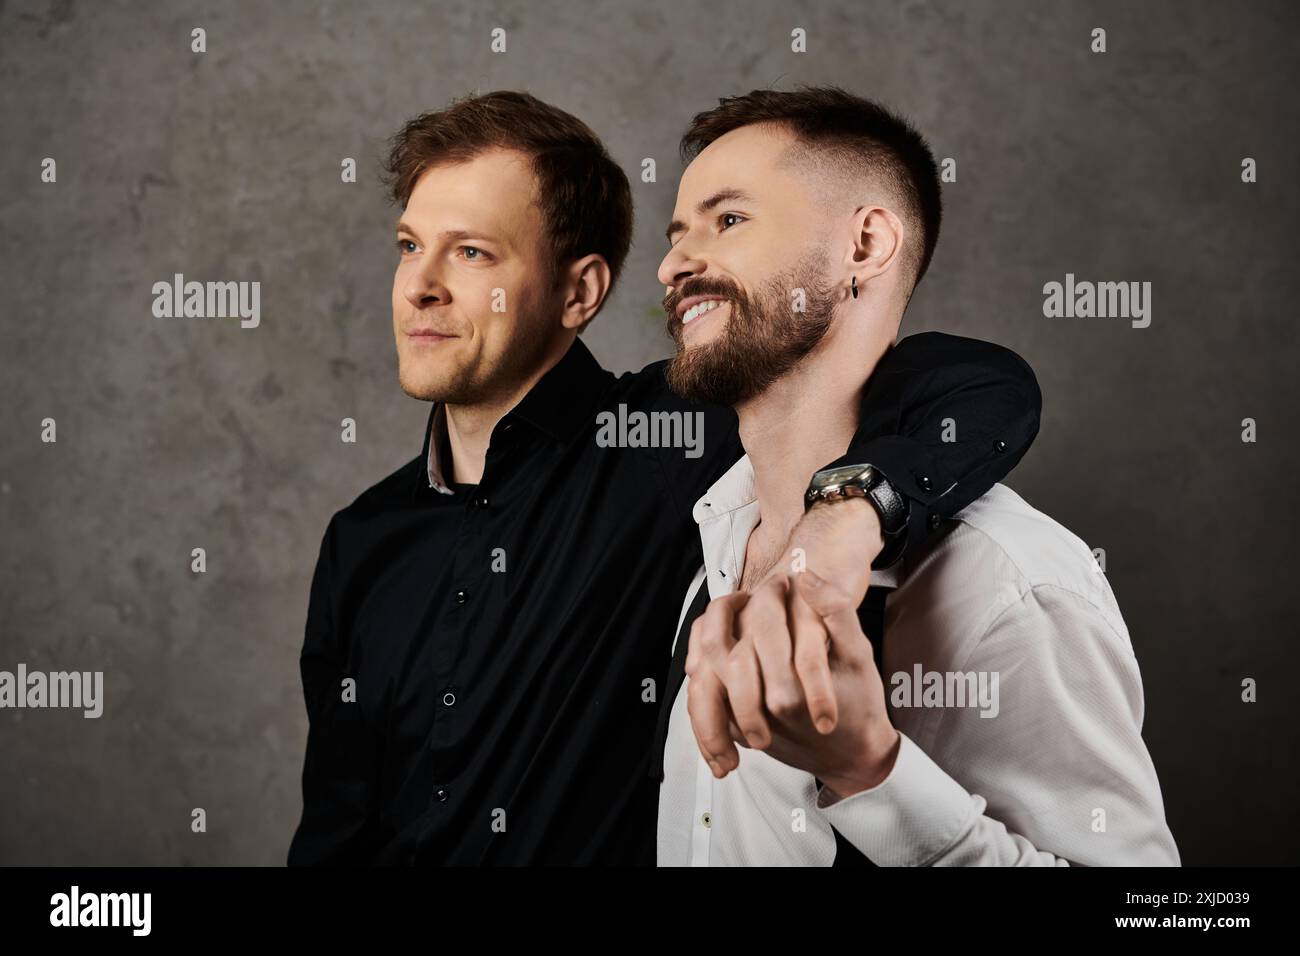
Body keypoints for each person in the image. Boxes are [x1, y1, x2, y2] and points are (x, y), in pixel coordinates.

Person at [287, 91, 1041, 866]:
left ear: (579, 292)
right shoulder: (362, 537)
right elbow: (337, 829)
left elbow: (977, 386)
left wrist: (851, 513)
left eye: (472, 252)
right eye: (410, 246)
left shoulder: (681, 435)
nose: (420, 285)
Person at [655, 86, 1179, 866]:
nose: (672, 264)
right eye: (676, 234)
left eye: (728, 220)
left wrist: (871, 774)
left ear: (864, 246)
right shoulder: (715, 535)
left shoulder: (1006, 583)